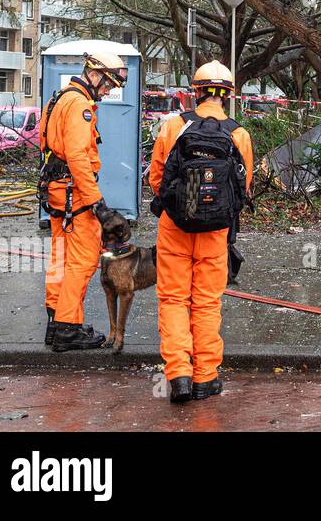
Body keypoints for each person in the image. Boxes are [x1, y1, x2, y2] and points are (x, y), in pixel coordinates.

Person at [148, 61, 253, 404]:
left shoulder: (173, 127)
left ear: (195, 92)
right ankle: (206, 377)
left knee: (173, 298)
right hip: (215, 231)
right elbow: (243, 188)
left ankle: (178, 374)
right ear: (227, 95)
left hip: (175, 225)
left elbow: (156, 179)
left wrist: (183, 202)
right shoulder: (238, 134)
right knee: (207, 302)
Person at [39, 51, 129, 352]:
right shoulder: (80, 105)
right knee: (83, 260)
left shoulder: (60, 98)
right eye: (108, 84)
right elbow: (77, 156)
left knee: (60, 257)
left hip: (57, 189)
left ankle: (56, 322)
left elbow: (47, 143)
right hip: (73, 193)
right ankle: (68, 328)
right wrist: (97, 203)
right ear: (95, 74)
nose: (108, 91)